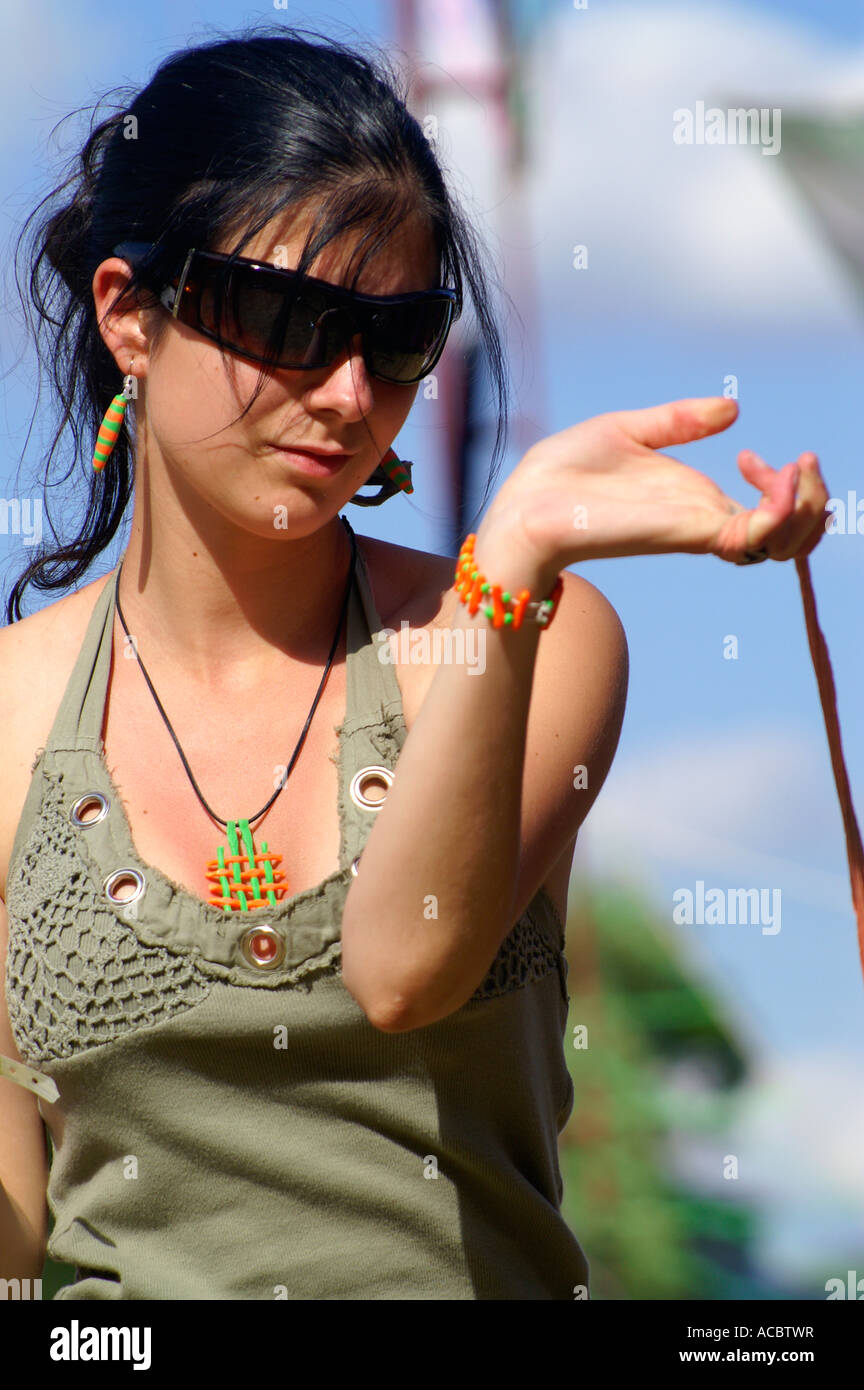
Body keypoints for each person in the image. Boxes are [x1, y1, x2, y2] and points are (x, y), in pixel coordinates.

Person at [0, 25, 829, 1302]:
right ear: (129, 313)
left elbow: (406, 964)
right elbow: (19, 1213)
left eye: (396, 337)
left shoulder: (527, 636)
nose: (344, 392)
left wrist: (514, 567)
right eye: (288, 317)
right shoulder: (11, 715)